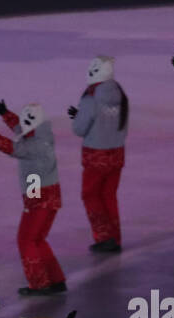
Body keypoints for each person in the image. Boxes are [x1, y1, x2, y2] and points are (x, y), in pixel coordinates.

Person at [0, 101, 65, 296]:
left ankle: (39, 283)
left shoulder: (34, 145)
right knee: (37, 239)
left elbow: (14, 148)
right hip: (50, 193)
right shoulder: (43, 134)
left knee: (26, 240)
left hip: (38, 195)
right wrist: (5, 114)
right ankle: (55, 279)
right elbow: (22, 129)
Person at [69, 56, 129, 251]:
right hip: (117, 153)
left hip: (96, 154)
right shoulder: (119, 93)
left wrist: (78, 117)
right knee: (109, 195)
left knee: (91, 195)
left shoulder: (92, 96)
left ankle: (104, 237)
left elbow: (79, 128)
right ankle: (115, 237)